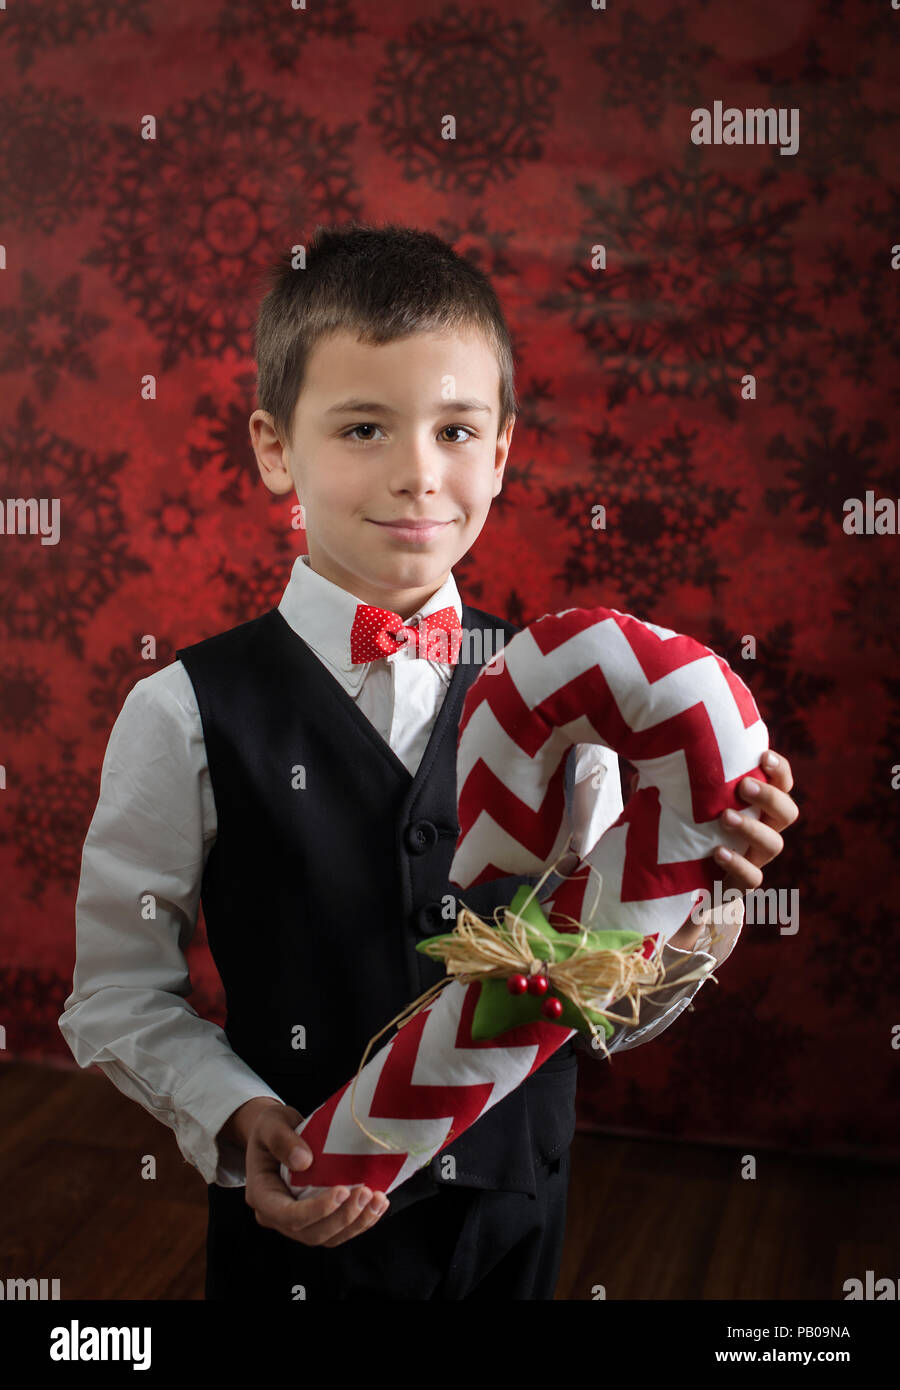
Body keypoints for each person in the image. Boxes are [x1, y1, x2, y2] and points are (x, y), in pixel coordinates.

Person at [59, 222, 799, 1301]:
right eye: (364, 426)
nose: (418, 472)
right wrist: (237, 1114)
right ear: (275, 449)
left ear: (501, 448)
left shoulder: (589, 707)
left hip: (519, 1207)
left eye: (456, 430)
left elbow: (604, 997)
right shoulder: (182, 714)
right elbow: (117, 993)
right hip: (306, 1220)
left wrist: (698, 891)